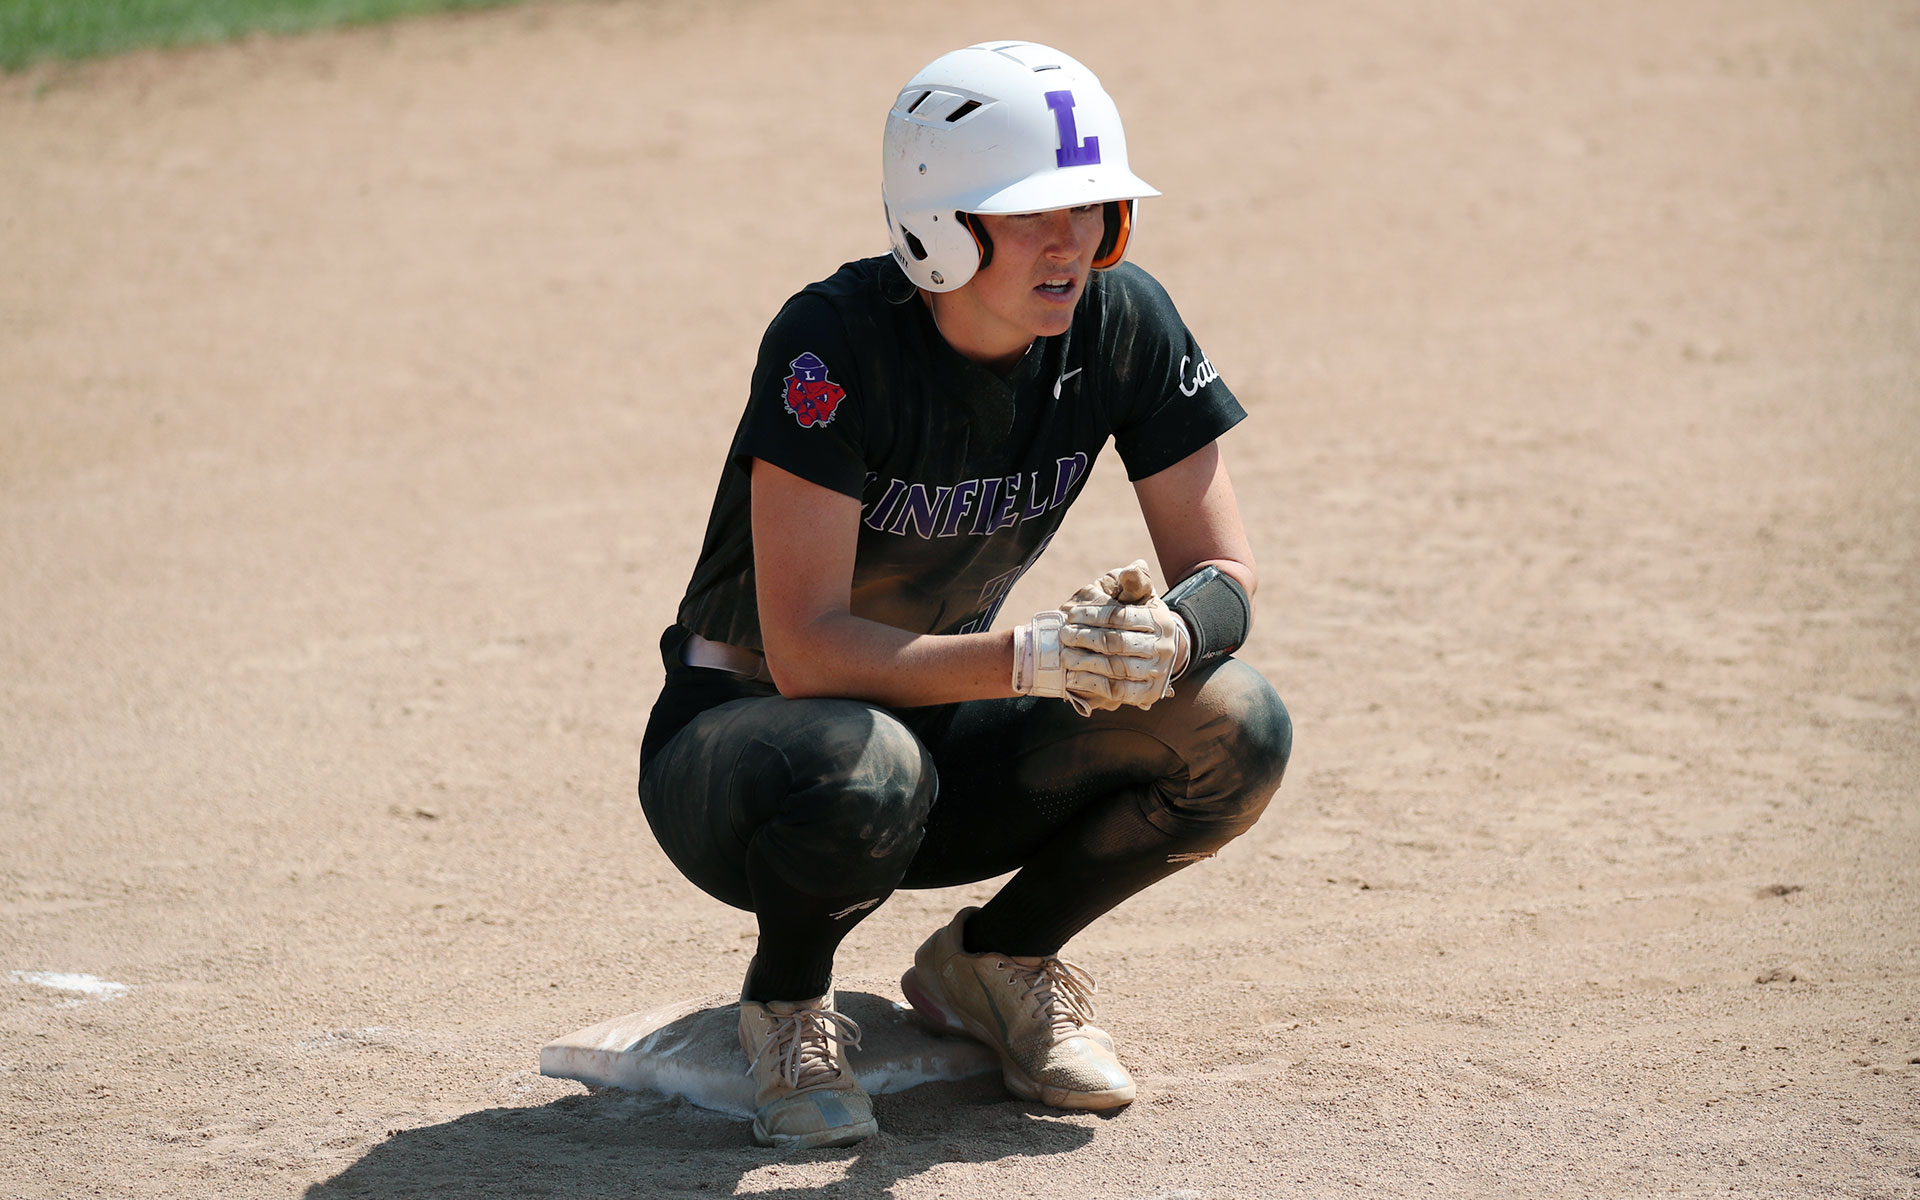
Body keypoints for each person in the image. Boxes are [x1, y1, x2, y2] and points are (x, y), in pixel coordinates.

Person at [637, 40, 1291, 1149]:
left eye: (1089, 206)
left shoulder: (1123, 321)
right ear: (939, 225)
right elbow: (803, 652)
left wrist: (1169, 637)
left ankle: (999, 959)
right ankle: (791, 1005)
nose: (1071, 240)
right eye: (1031, 212)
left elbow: (1225, 570)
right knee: (862, 761)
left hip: (939, 731)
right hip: (750, 758)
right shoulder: (834, 345)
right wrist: (1041, 660)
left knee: (1235, 724)